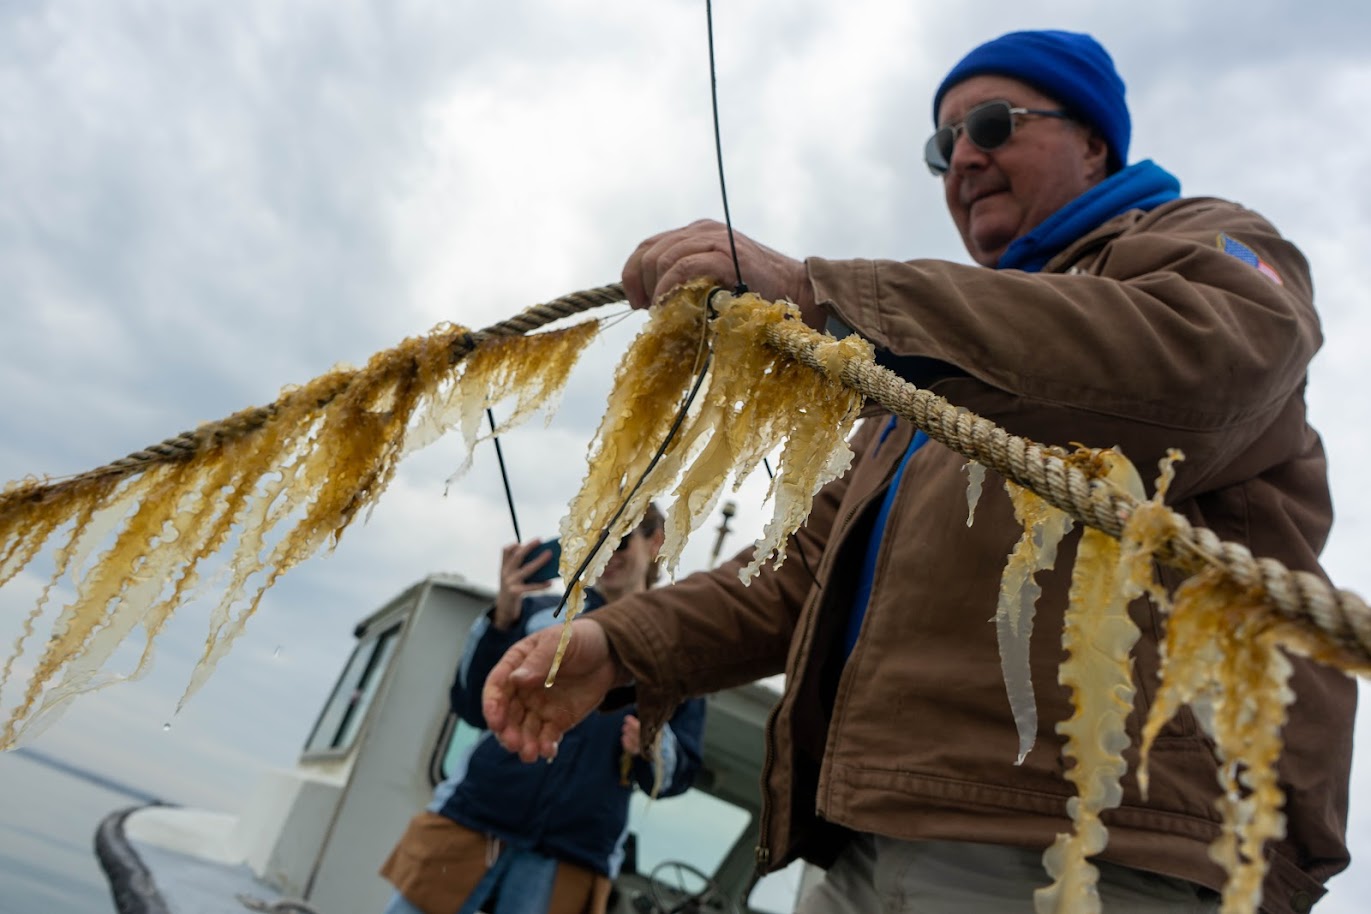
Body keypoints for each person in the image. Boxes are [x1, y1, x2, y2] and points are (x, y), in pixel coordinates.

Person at [479, 29, 1355, 914]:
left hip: (1102, 849)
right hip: (863, 836)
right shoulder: (921, 376)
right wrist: (615, 643)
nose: (962, 158)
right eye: (943, 145)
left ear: (1093, 142)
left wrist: (831, 298)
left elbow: (1204, 366)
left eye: (991, 123)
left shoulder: (1209, 244)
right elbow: (795, 582)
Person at [379, 503, 706, 914]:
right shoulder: (537, 616)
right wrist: (503, 619)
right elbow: (471, 705)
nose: (608, 552)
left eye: (620, 538)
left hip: (573, 854)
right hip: (472, 821)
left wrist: (653, 743)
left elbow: (681, 773)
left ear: (656, 541)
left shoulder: (679, 652)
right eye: (596, 538)